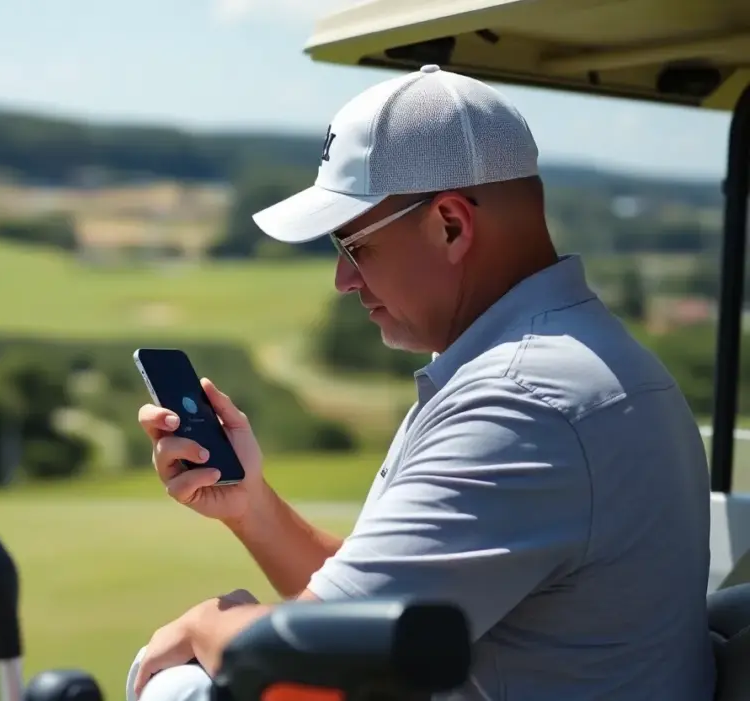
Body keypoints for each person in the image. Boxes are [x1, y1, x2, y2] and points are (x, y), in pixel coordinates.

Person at [128, 65, 716, 701]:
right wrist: (252, 507)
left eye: (354, 246)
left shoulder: (521, 402)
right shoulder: (553, 363)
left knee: (180, 687)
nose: (343, 281)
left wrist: (212, 624)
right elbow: (383, 617)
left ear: (451, 225)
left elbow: (311, 661)